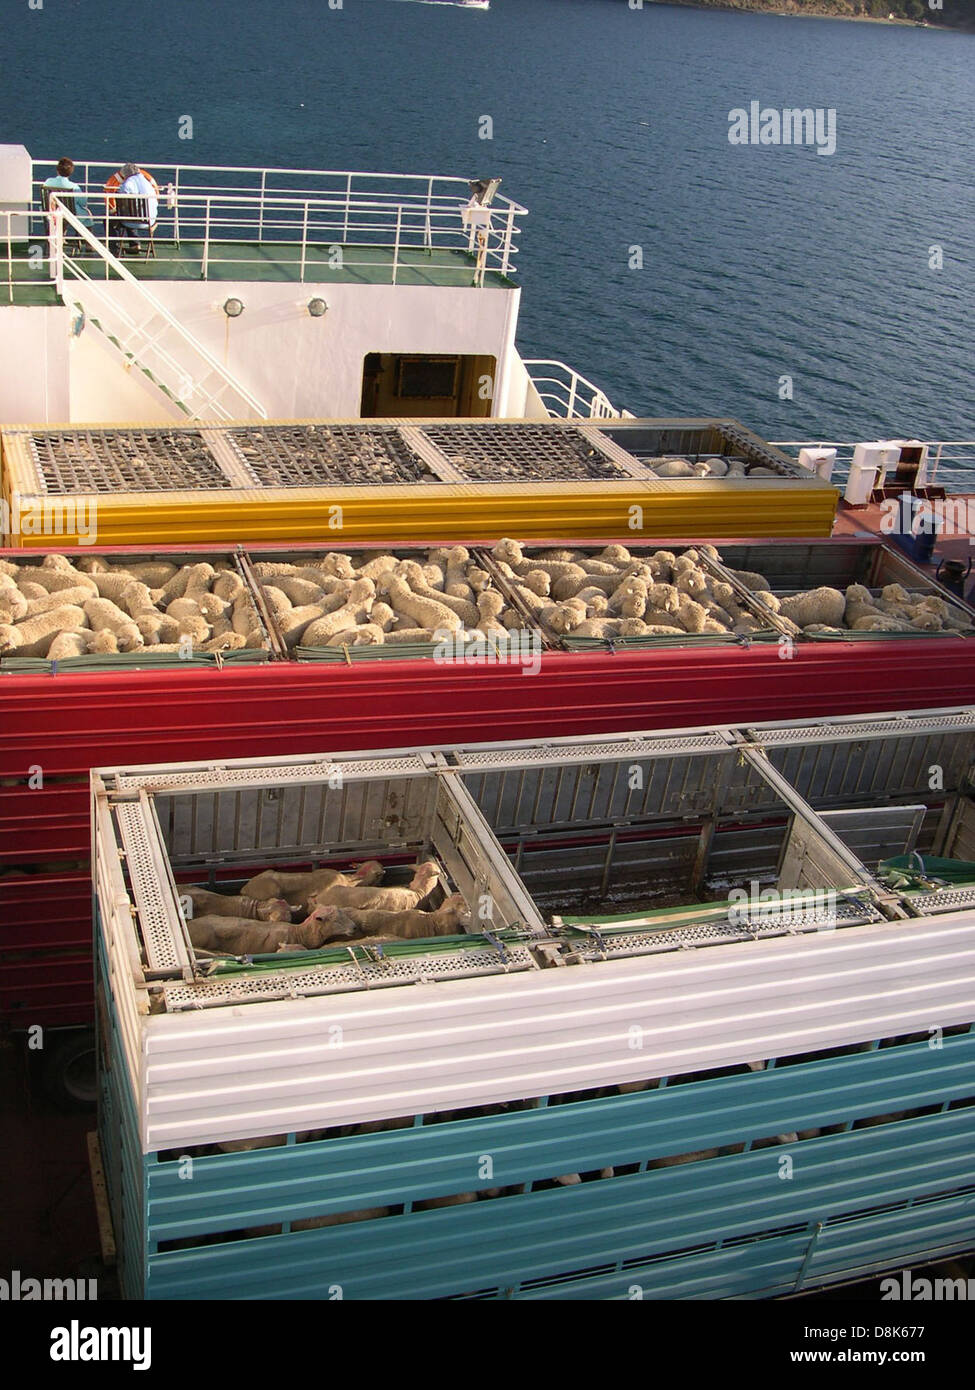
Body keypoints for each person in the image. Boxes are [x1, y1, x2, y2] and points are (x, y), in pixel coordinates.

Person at [105, 163, 159, 255]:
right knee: (133, 213)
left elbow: (122, 197)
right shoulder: (147, 183)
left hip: (132, 221)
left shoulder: (129, 183)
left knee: (108, 220)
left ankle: (114, 249)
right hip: (149, 221)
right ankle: (135, 245)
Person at [42, 157, 94, 240]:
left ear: (57, 170)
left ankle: (57, 239)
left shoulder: (48, 182)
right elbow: (83, 202)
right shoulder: (73, 187)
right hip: (70, 215)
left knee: (62, 220)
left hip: (53, 213)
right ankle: (89, 244)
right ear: (70, 172)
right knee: (87, 217)